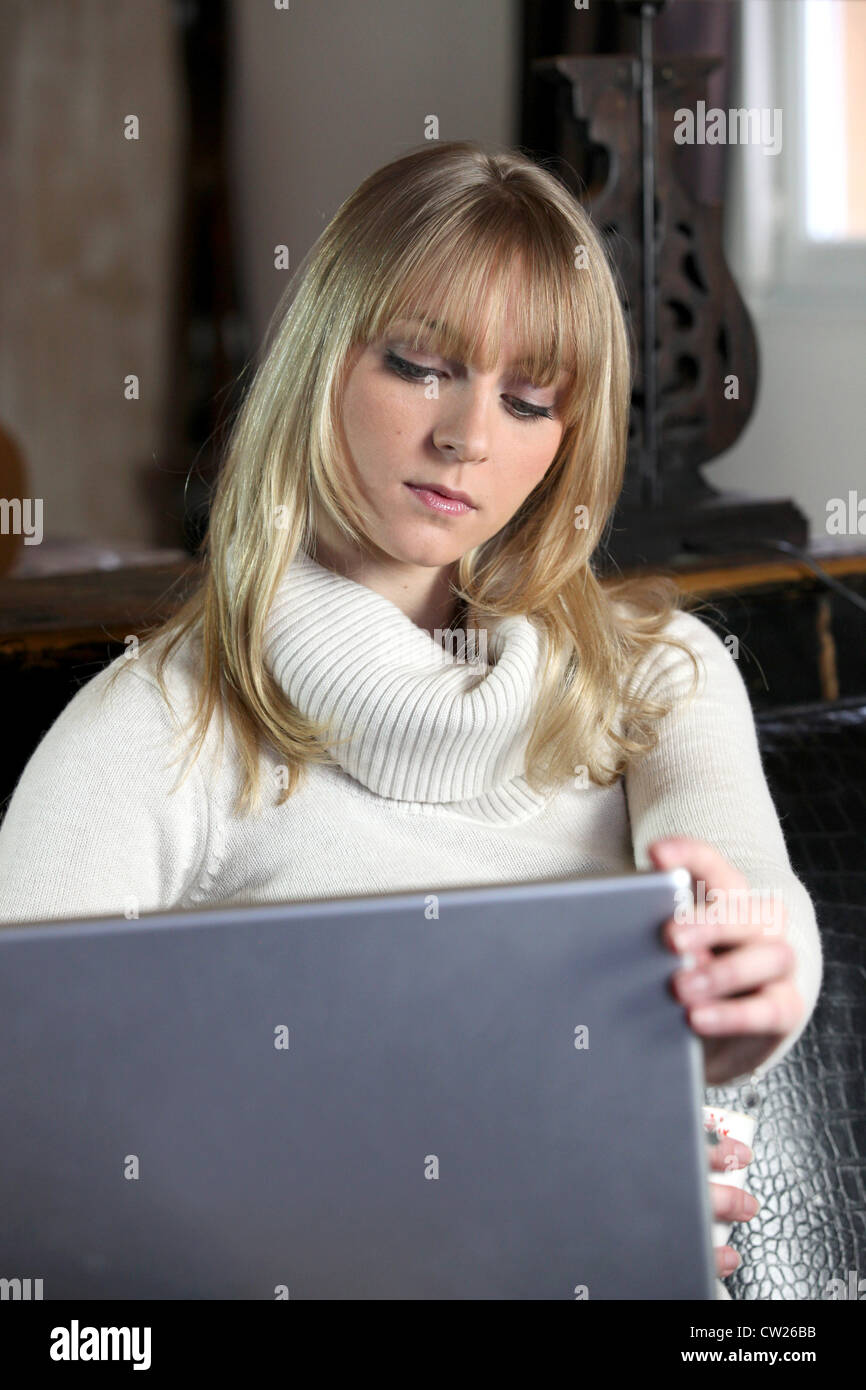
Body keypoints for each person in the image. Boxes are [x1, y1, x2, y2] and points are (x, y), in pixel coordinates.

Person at [0, 140, 822, 1296]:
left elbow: (741, 888)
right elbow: (34, 1138)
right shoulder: (157, 725)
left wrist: (760, 964)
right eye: (420, 366)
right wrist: (489, 1188)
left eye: (529, 399)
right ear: (321, 358)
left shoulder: (660, 673)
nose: (468, 437)